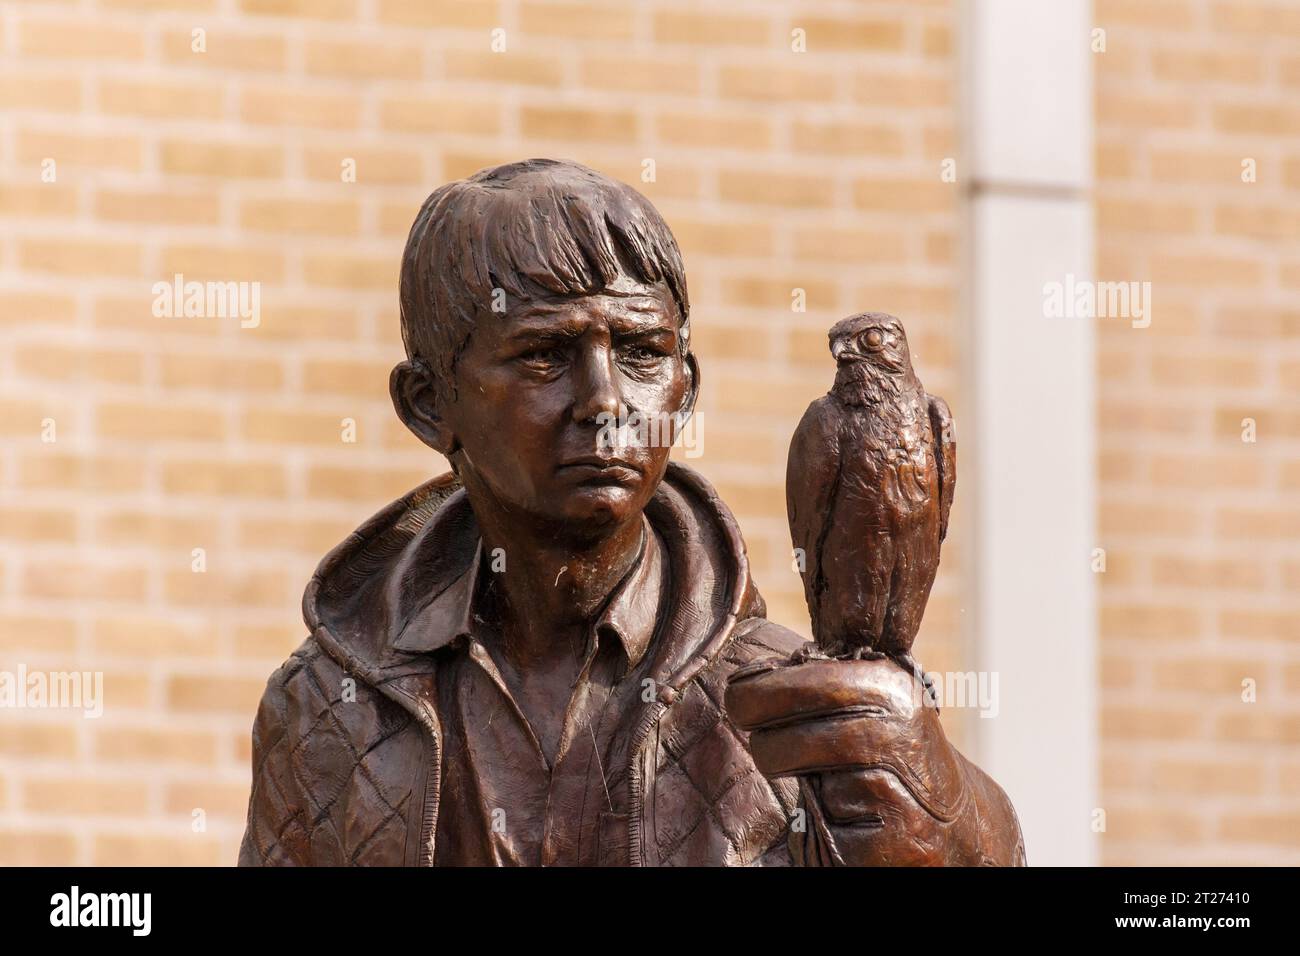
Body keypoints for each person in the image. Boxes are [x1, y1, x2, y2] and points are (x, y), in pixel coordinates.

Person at [238, 158, 1025, 866]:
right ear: (427, 404)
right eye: (544, 354)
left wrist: (964, 836)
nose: (608, 403)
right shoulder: (322, 711)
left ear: (686, 389)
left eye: (642, 352)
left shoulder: (791, 717)